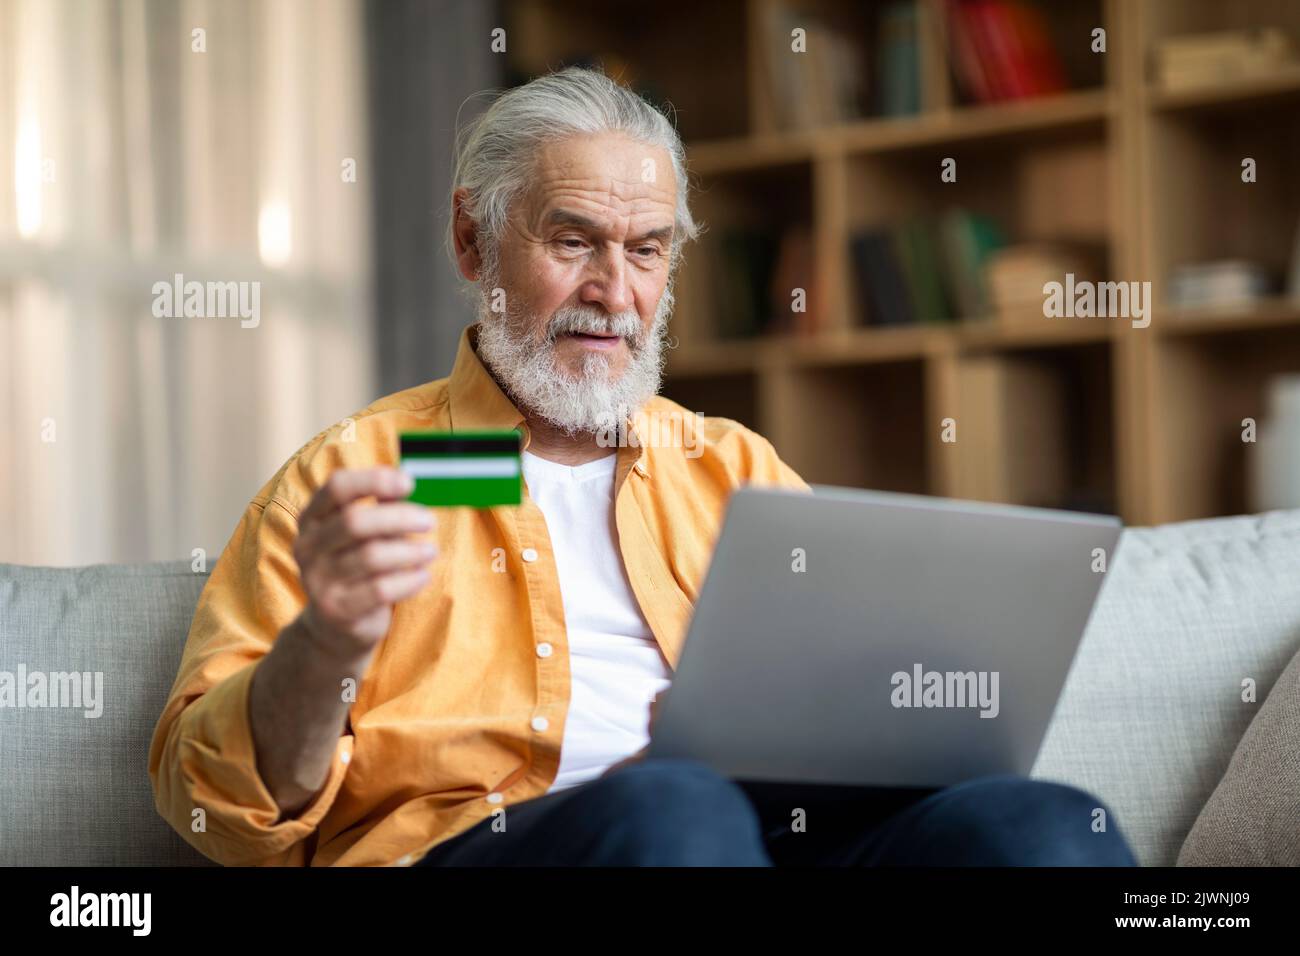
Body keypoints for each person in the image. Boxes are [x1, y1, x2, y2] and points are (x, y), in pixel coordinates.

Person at [149, 67, 1135, 867]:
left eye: (647, 249)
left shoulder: (732, 467)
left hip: (758, 834)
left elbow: (849, 719)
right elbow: (216, 808)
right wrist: (327, 641)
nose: (613, 292)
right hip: (482, 847)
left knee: (1037, 825)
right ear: (471, 239)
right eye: (572, 240)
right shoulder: (364, 470)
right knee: (674, 810)